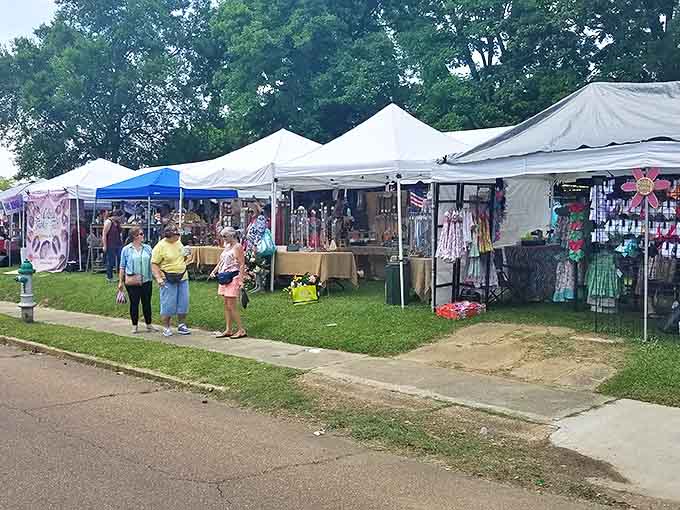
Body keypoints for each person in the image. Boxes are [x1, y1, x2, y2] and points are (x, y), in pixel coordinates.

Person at [151, 225, 191, 337]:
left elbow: (182, 257)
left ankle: (182, 324)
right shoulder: (160, 246)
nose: (179, 236)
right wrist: (158, 278)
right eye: (176, 234)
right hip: (168, 278)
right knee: (168, 304)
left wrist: (186, 256)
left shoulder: (178, 242)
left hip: (182, 276)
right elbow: (154, 264)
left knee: (184, 302)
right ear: (169, 236)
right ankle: (166, 327)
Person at [210, 227, 247, 339]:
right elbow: (222, 261)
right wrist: (215, 270)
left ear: (232, 235)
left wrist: (241, 279)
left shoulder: (238, 247)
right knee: (226, 305)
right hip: (224, 277)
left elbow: (241, 264)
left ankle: (241, 329)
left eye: (225, 236)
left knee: (232, 305)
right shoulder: (227, 246)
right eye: (222, 236)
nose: (223, 238)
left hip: (233, 277)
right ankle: (228, 329)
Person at [118, 227, 155, 334]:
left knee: (147, 303)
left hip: (146, 280)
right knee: (134, 303)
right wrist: (121, 281)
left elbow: (153, 263)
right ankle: (134, 325)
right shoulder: (126, 249)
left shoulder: (147, 248)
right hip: (132, 280)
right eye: (141, 234)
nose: (143, 236)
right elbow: (122, 266)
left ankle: (149, 324)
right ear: (135, 236)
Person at [103, 209, 124, 282]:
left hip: (118, 244)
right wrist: (105, 246)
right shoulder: (108, 222)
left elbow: (119, 233)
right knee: (110, 261)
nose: (121, 218)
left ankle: (121, 276)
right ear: (116, 216)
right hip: (110, 244)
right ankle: (109, 277)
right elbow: (104, 235)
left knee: (121, 259)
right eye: (120, 217)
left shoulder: (117, 222)